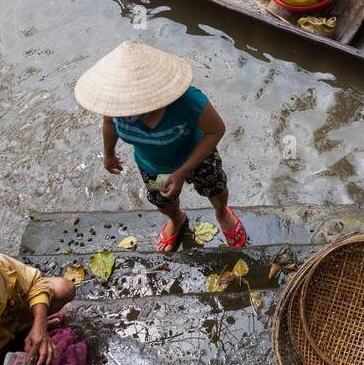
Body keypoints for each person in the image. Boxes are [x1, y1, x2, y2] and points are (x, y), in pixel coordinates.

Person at [73, 40, 247, 252]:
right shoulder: (116, 103)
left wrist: (183, 172)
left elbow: (216, 130)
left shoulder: (187, 100)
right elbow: (108, 123)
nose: (126, 114)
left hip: (197, 158)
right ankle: (177, 220)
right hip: (153, 166)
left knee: (215, 188)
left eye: (131, 107)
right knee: (162, 200)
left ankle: (222, 214)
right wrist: (108, 154)